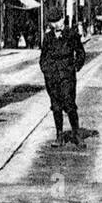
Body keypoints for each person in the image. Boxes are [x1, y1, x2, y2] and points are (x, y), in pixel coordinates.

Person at [39, 15, 86, 146]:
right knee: (56, 107)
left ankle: (76, 134)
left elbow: (81, 52)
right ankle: (59, 136)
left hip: (67, 77)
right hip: (52, 78)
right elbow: (43, 58)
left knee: (70, 105)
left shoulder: (71, 34)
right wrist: (46, 71)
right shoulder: (48, 38)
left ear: (63, 20)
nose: (57, 24)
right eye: (54, 22)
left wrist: (76, 66)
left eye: (59, 21)